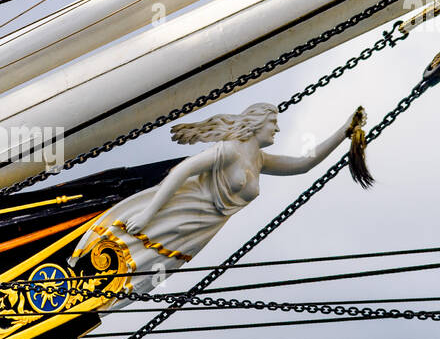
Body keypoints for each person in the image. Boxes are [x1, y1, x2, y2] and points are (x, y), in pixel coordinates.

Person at [71, 102, 359, 293]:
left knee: (144, 269)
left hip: (198, 230)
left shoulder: (260, 160)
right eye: (273, 123)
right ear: (258, 124)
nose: (278, 129)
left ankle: (102, 288)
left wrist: (343, 133)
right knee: (128, 248)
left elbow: (302, 164)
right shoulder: (230, 151)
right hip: (181, 210)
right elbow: (182, 171)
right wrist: (149, 213)